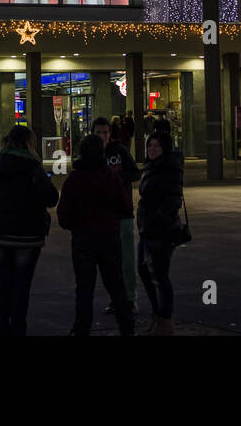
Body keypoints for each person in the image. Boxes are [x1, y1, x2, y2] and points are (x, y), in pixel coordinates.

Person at [0, 124, 58, 336]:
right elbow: (51, 198)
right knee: (21, 287)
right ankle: (18, 329)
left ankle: (1, 330)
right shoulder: (33, 166)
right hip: (27, 235)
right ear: (30, 143)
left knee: (3, 285)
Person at [58, 134, 134, 336]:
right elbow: (126, 208)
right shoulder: (111, 177)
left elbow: (63, 216)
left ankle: (82, 329)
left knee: (84, 288)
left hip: (83, 239)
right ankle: (127, 328)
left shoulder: (74, 180)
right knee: (117, 287)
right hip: (109, 237)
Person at [137, 130, 184, 336]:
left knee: (159, 275)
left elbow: (173, 201)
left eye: (156, 146)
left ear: (165, 148)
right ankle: (158, 316)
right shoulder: (152, 168)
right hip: (148, 229)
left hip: (161, 231)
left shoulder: (169, 169)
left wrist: (157, 221)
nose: (152, 149)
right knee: (145, 271)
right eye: (150, 146)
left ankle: (165, 320)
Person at [92, 116, 139, 317]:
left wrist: (116, 178)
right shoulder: (91, 153)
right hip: (102, 214)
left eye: (105, 132)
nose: (103, 136)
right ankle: (116, 298)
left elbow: (135, 174)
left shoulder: (119, 151)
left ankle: (129, 298)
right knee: (109, 261)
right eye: (99, 133)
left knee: (127, 258)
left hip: (122, 212)